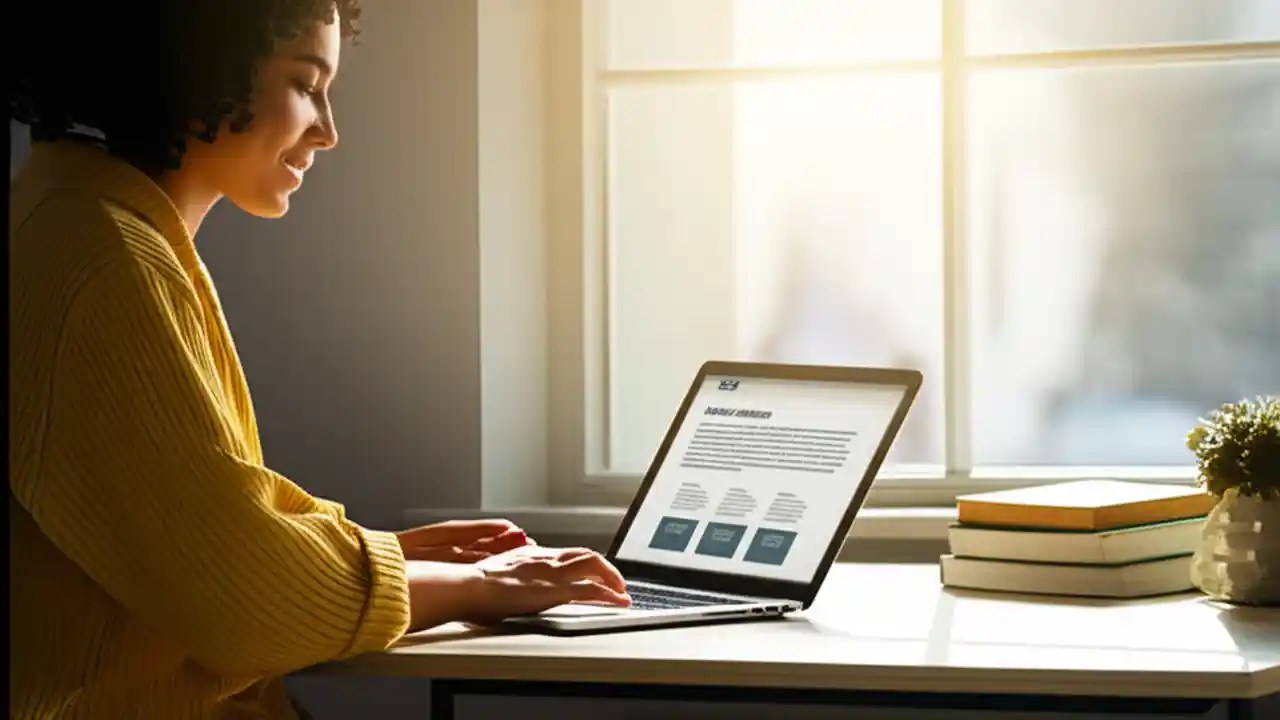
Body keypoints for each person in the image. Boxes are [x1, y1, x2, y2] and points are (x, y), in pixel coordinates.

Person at [8, 2, 630, 718]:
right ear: (195, 64)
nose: (329, 132)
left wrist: (384, 556)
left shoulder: (74, 223)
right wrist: (478, 587)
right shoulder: (102, 262)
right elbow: (242, 599)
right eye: (306, 85)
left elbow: (186, 540)